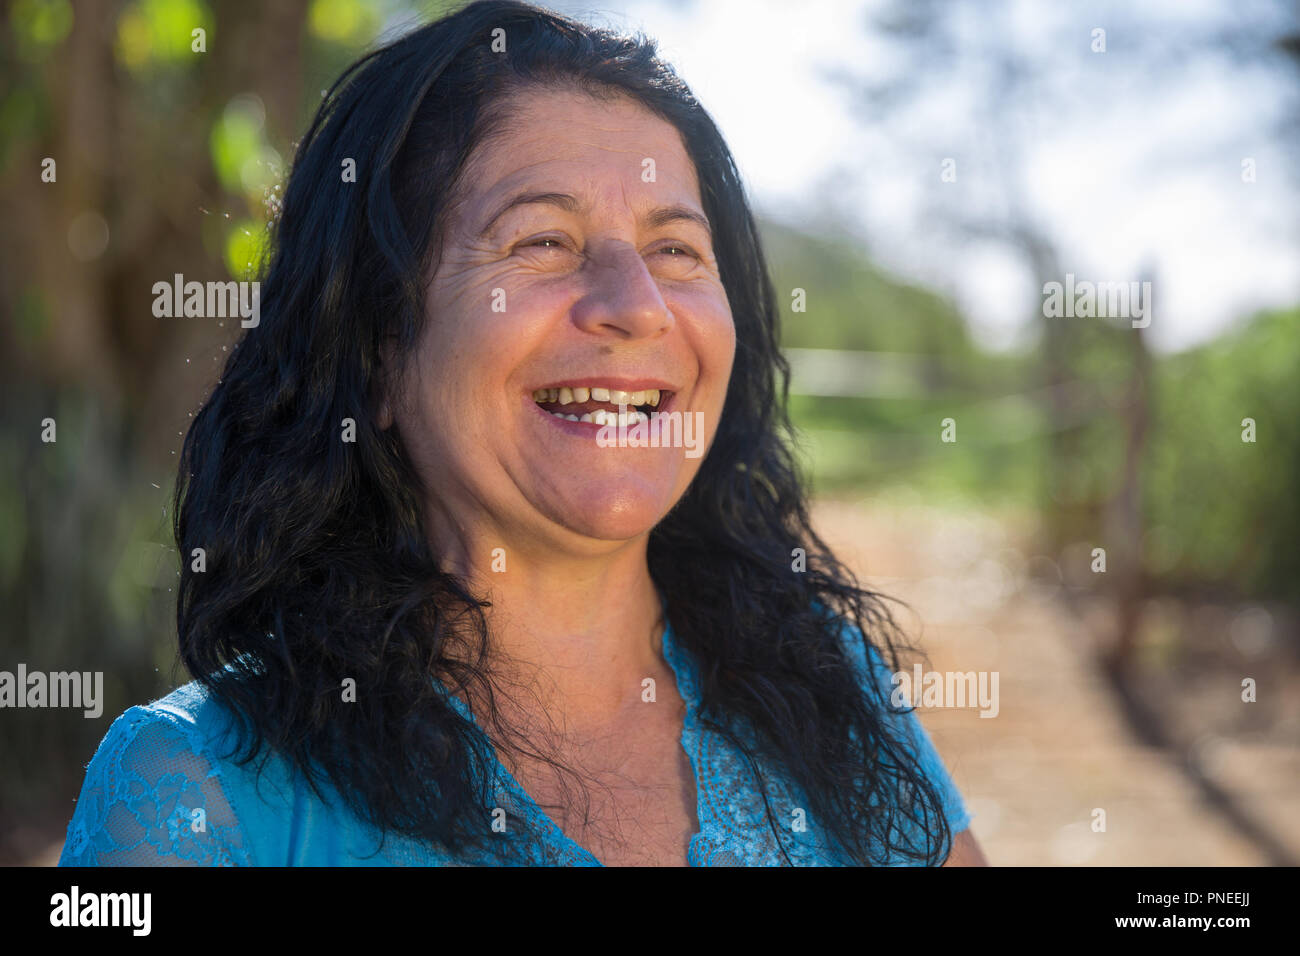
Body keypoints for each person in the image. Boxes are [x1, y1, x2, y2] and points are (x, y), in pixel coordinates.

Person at [59, 0, 987, 867]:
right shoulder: (196, 798)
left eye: (676, 250)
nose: (638, 307)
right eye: (541, 242)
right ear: (378, 350)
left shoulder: (830, 683)